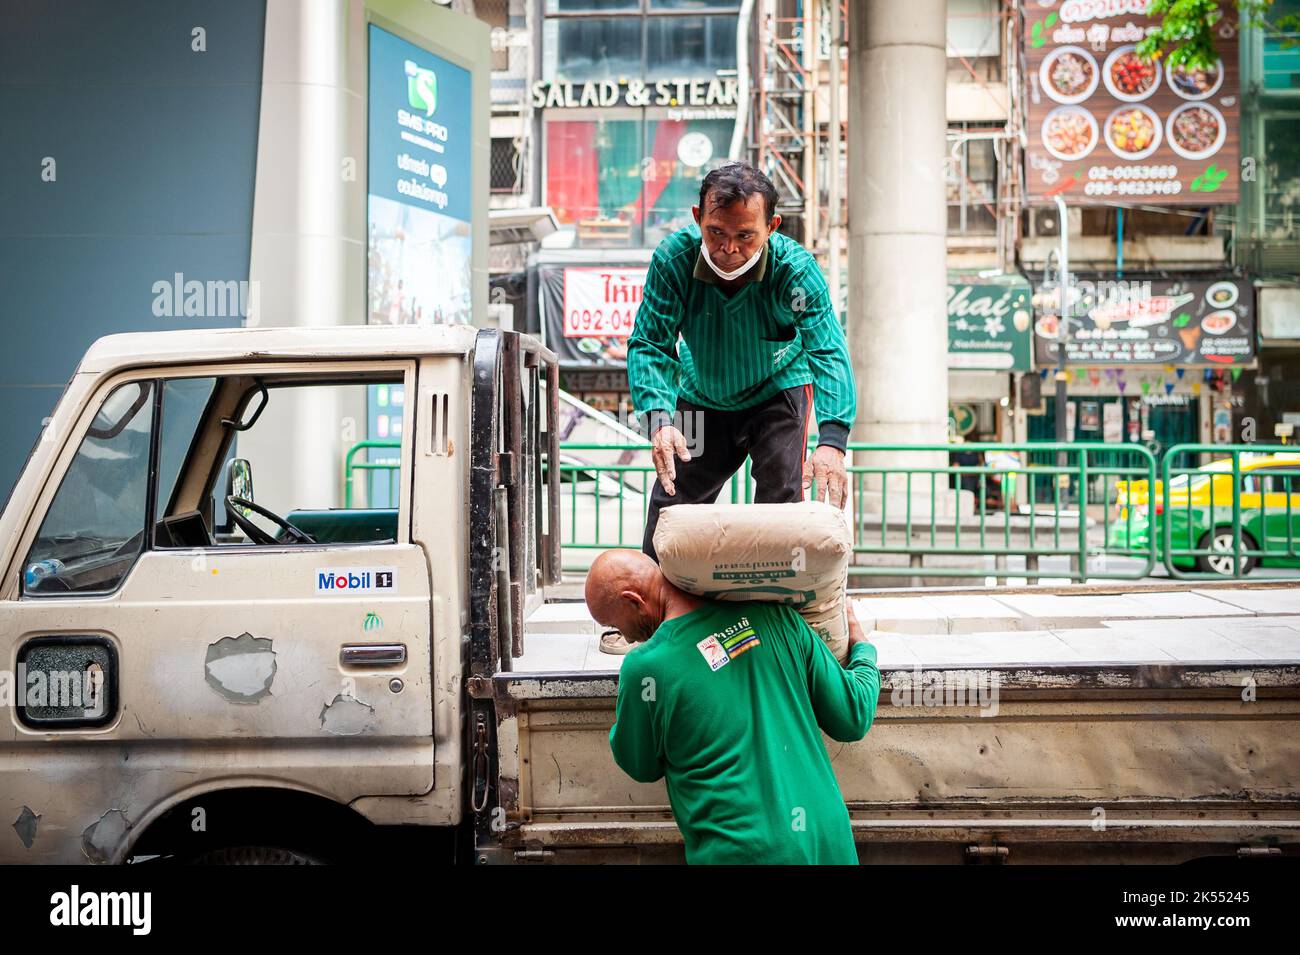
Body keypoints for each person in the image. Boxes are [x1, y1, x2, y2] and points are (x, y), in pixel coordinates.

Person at [586, 549, 881, 865]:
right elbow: (854, 713)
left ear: (634, 601)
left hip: (746, 853)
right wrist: (863, 650)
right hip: (828, 842)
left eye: (613, 623)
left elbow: (640, 765)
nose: (625, 637)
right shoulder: (778, 618)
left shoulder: (646, 668)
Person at [627, 162, 857, 563]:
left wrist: (834, 442)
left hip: (778, 391)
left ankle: (781, 615)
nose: (729, 249)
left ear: (772, 227)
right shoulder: (673, 261)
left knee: (781, 503)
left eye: (745, 236)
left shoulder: (797, 272)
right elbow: (649, 344)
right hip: (700, 395)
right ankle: (647, 614)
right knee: (671, 502)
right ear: (698, 218)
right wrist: (658, 422)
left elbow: (828, 351)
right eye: (716, 232)